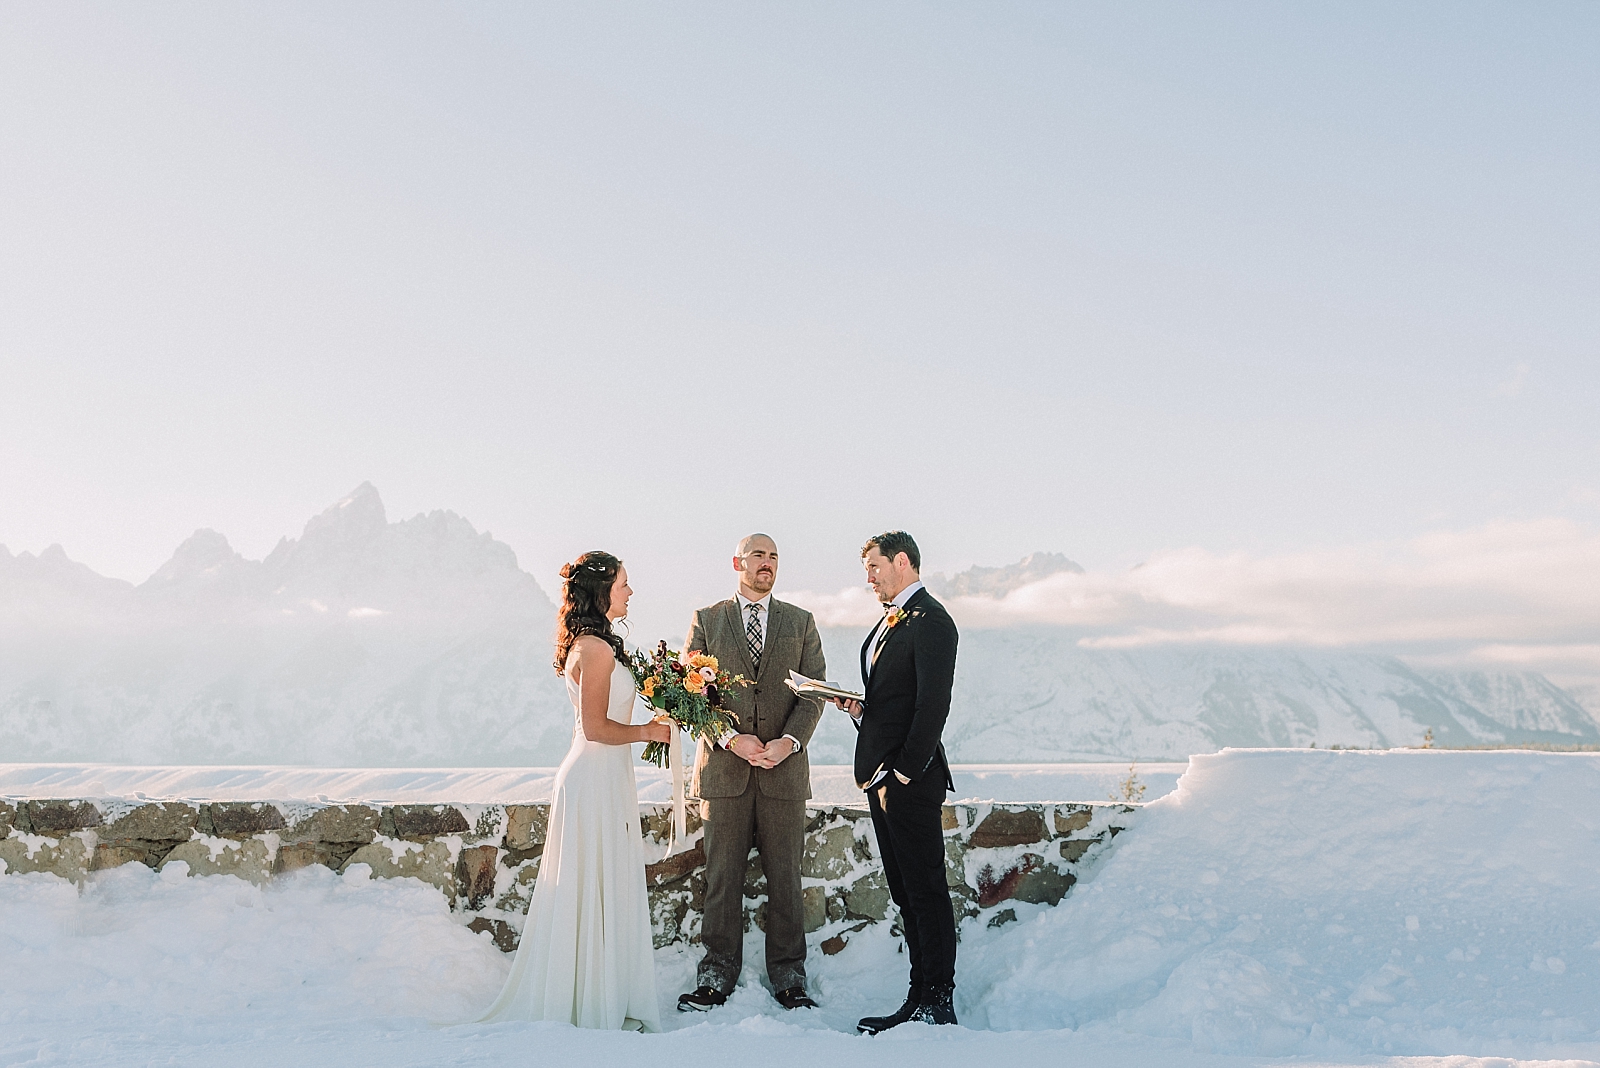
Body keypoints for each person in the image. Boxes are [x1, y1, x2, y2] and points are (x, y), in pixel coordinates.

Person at [477, 551, 671, 1031]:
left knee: (601, 882)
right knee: (592, 882)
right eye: (624, 583)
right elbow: (596, 728)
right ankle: (590, 1004)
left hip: (605, 776)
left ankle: (599, 994)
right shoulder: (596, 650)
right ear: (602, 590)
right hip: (592, 776)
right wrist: (649, 732)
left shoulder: (596, 644)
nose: (630, 592)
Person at [677, 533, 828, 1012]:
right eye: (759, 555)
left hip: (784, 772)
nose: (767, 564)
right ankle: (715, 977)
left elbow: (816, 691)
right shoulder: (707, 620)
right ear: (738, 562)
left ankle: (790, 978)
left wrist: (789, 742)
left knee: (786, 878)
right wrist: (730, 738)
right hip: (724, 774)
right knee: (722, 878)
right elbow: (689, 694)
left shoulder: (801, 623)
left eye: (775, 557)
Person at [832, 531, 960, 1033]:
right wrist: (860, 708)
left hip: (911, 778)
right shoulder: (891, 622)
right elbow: (898, 700)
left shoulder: (932, 621)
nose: (868, 577)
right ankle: (917, 996)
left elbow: (934, 704)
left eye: (873, 566)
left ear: (901, 561)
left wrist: (905, 769)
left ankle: (938, 1001)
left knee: (926, 889)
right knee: (906, 891)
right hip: (884, 778)